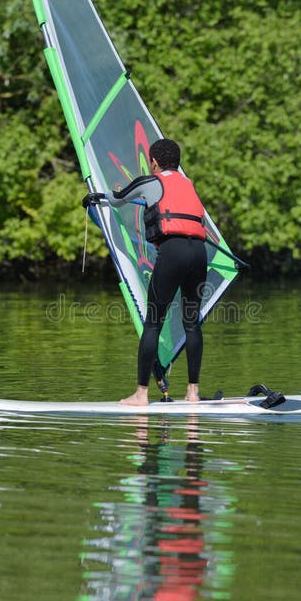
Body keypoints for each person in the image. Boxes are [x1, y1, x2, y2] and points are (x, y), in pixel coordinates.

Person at [83, 138, 208, 406]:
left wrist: (97, 197)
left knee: (153, 323)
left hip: (173, 253)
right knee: (191, 323)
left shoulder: (150, 181)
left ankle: (141, 394)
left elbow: (117, 200)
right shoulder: (188, 185)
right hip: (198, 253)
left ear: (153, 161)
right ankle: (193, 392)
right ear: (177, 162)